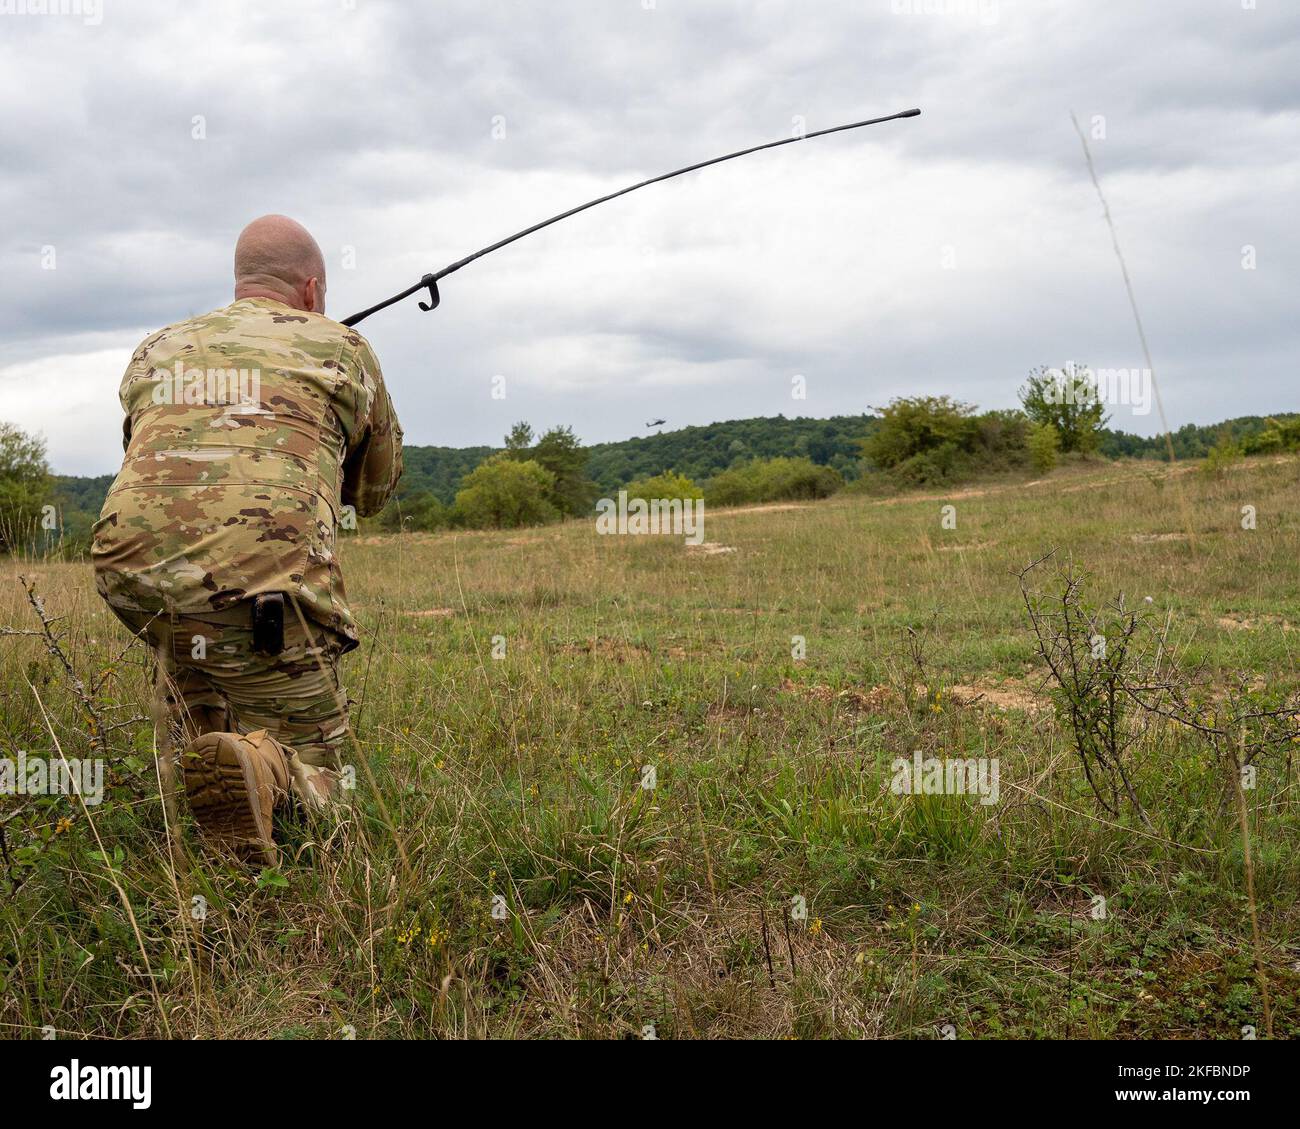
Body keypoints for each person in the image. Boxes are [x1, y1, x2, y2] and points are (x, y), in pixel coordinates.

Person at [91, 214, 402, 862]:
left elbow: (145, 457)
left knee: (198, 680)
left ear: (241, 283)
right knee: (323, 773)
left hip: (132, 574)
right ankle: (270, 777)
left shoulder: (158, 348)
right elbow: (372, 494)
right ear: (312, 290)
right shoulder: (341, 348)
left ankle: (210, 837)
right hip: (265, 582)